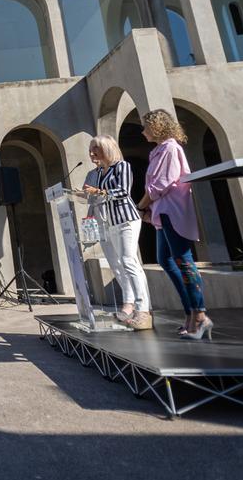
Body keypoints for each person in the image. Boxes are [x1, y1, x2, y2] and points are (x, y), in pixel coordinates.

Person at [136, 109, 211, 340]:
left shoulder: (170, 148)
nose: (143, 131)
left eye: (146, 126)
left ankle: (199, 315)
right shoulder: (158, 151)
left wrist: (141, 206)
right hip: (162, 211)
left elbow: (162, 184)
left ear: (157, 126)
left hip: (171, 210)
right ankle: (190, 312)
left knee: (183, 260)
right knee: (166, 260)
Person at [83, 135, 152, 330]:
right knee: (116, 264)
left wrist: (97, 192)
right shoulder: (95, 173)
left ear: (107, 149)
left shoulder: (121, 166)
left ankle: (143, 309)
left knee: (129, 261)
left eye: (95, 149)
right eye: (90, 150)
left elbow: (122, 191)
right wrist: (84, 194)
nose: (91, 153)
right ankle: (128, 304)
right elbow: (89, 196)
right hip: (104, 222)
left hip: (124, 220)